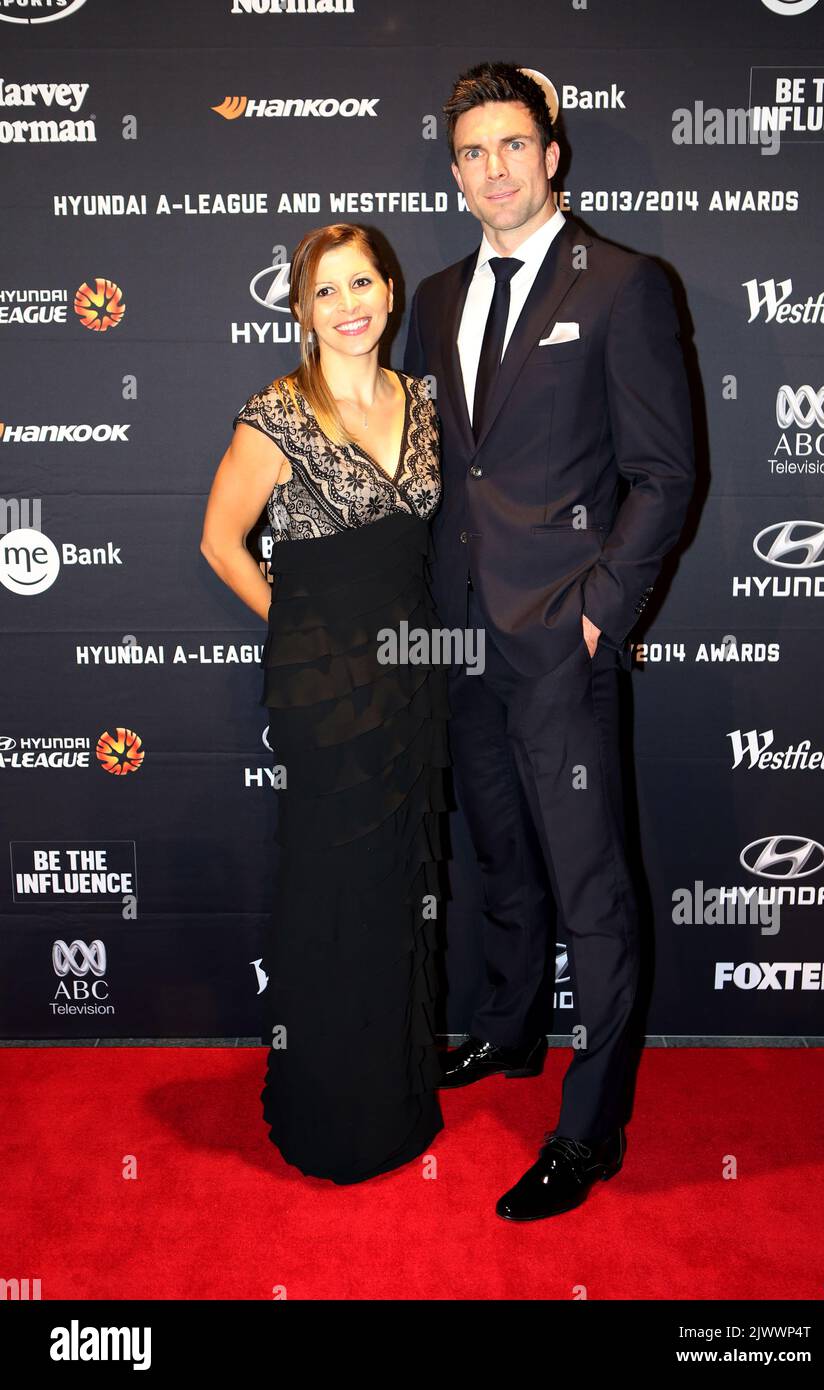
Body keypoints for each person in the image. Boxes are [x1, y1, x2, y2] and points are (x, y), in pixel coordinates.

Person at [404, 62, 696, 1220]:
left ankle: (590, 1128)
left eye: (512, 146)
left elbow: (665, 475)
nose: (493, 170)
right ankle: (508, 1032)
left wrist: (599, 610)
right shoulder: (431, 297)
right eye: (472, 152)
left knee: (590, 887)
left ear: (553, 154)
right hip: (460, 635)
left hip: (562, 636)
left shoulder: (623, 283)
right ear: (456, 168)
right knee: (502, 858)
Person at [201, 223, 449, 1184]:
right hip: (326, 685)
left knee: (399, 882)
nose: (346, 305)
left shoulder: (423, 406)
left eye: (361, 283)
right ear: (300, 309)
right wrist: (304, 630)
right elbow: (222, 543)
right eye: (324, 291)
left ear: (389, 293)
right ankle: (328, 1113)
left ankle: (395, 1095)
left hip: (414, 673)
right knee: (331, 885)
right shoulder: (277, 412)